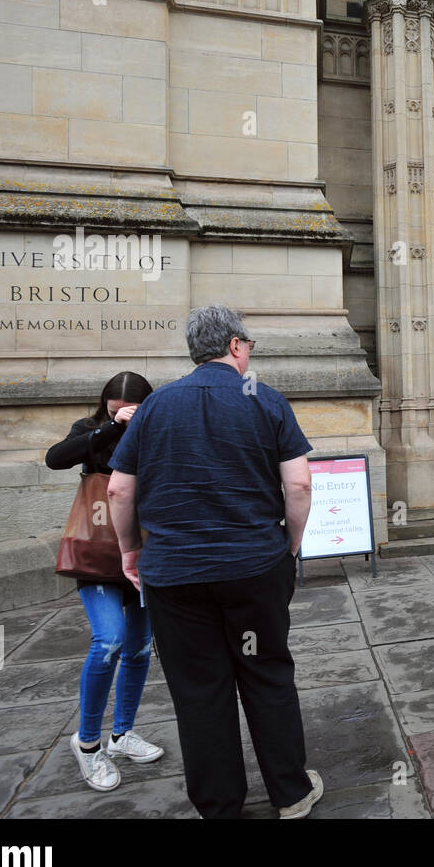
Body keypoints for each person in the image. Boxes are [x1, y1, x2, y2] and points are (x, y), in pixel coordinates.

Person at [107, 306, 322, 819]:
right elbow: (299, 484)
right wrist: (291, 546)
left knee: (199, 688)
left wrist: (129, 550)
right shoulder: (266, 401)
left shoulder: (155, 406)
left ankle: (220, 804)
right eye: (247, 346)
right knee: (266, 673)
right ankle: (290, 793)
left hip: (174, 573)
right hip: (253, 567)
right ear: (234, 346)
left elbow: (118, 489)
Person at [46, 371, 163, 793]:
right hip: (98, 555)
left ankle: (122, 733)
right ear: (106, 407)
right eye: (115, 410)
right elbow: (56, 458)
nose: (125, 416)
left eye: (131, 410)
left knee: (137, 649)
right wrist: (113, 427)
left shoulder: (155, 429)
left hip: (144, 554)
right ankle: (89, 742)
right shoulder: (91, 429)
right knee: (109, 640)